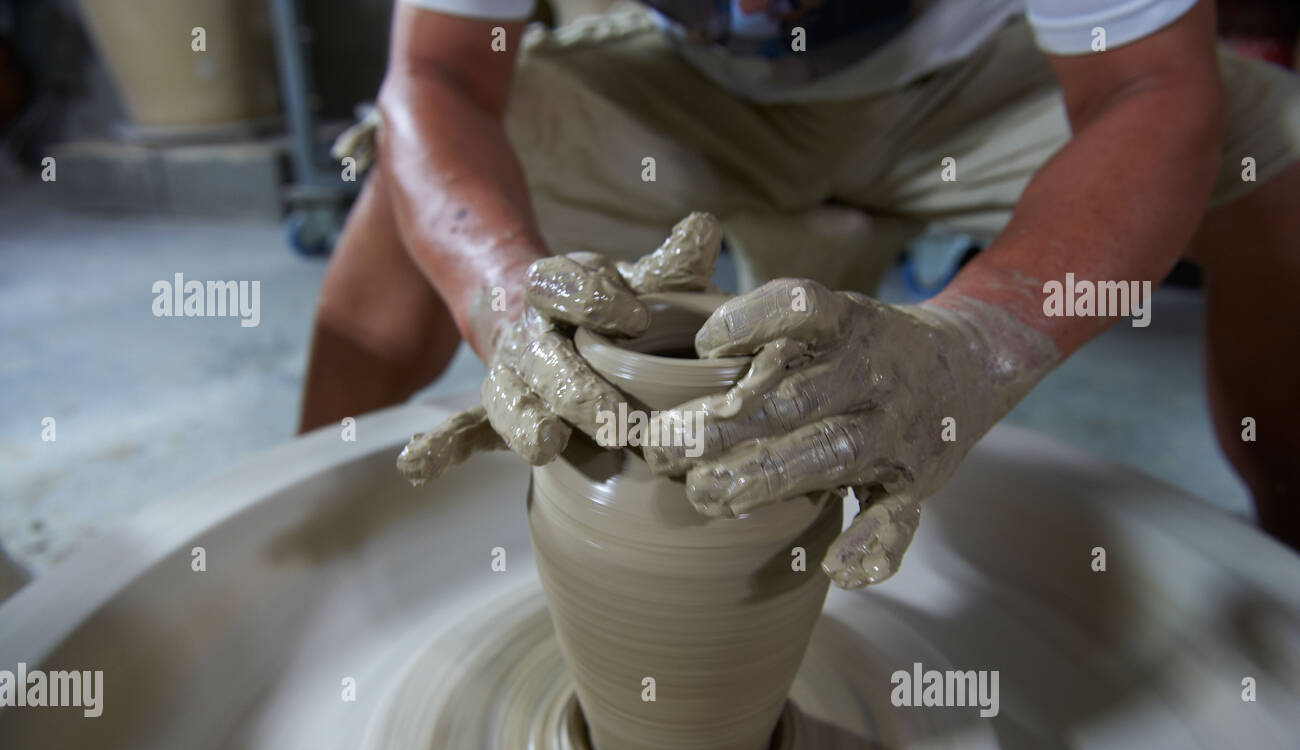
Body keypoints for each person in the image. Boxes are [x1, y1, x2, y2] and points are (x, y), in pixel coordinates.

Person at [299, 0, 1300, 586]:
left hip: (975, 79)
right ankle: (308, 569)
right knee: (409, 194)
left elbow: (1147, 89)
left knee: (1281, 181)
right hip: (681, 100)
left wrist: (976, 342)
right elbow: (437, 77)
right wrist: (503, 296)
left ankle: (1287, 562)